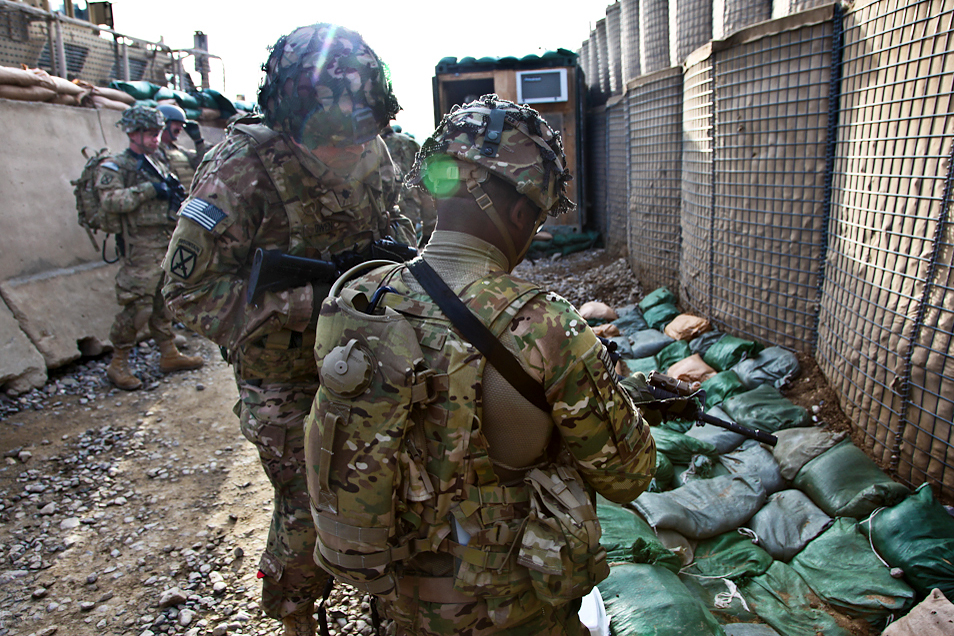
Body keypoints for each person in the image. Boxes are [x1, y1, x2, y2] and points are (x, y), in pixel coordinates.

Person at [304, 95, 657, 635]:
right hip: (510, 611)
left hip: (398, 604)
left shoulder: (360, 296)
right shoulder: (547, 325)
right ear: (520, 213)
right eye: (536, 220)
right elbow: (628, 476)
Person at [160, 23, 410, 635]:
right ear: (294, 121)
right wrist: (304, 303)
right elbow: (184, 292)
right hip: (282, 371)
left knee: (400, 482)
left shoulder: (381, 149)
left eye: (364, 130)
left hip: (369, 351)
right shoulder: (239, 171)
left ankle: (397, 602)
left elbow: (405, 229)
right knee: (308, 503)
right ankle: (295, 611)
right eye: (336, 138)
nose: (355, 150)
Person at [97, 104, 204, 391]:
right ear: (133, 133)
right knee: (138, 307)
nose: (156, 138)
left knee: (164, 301)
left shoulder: (158, 161)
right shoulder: (116, 166)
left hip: (166, 241)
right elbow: (110, 201)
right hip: (140, 247)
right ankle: (118, 363)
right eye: (150, 133)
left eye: (158, 133)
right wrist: (148, 190)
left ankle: (169, 353)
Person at [382, 124, 436, 244]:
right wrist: (429, 230)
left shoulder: (359, 148)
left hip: (374, 226)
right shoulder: (408, 144)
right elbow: (427, 190)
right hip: (405, 222)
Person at [156, 103, 208, 192]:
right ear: (164, 124)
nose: (180, 129)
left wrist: (198, 142)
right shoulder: (155, 152)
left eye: (182, 125)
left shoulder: (180, 151)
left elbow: (202, 167)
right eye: (176, 124)